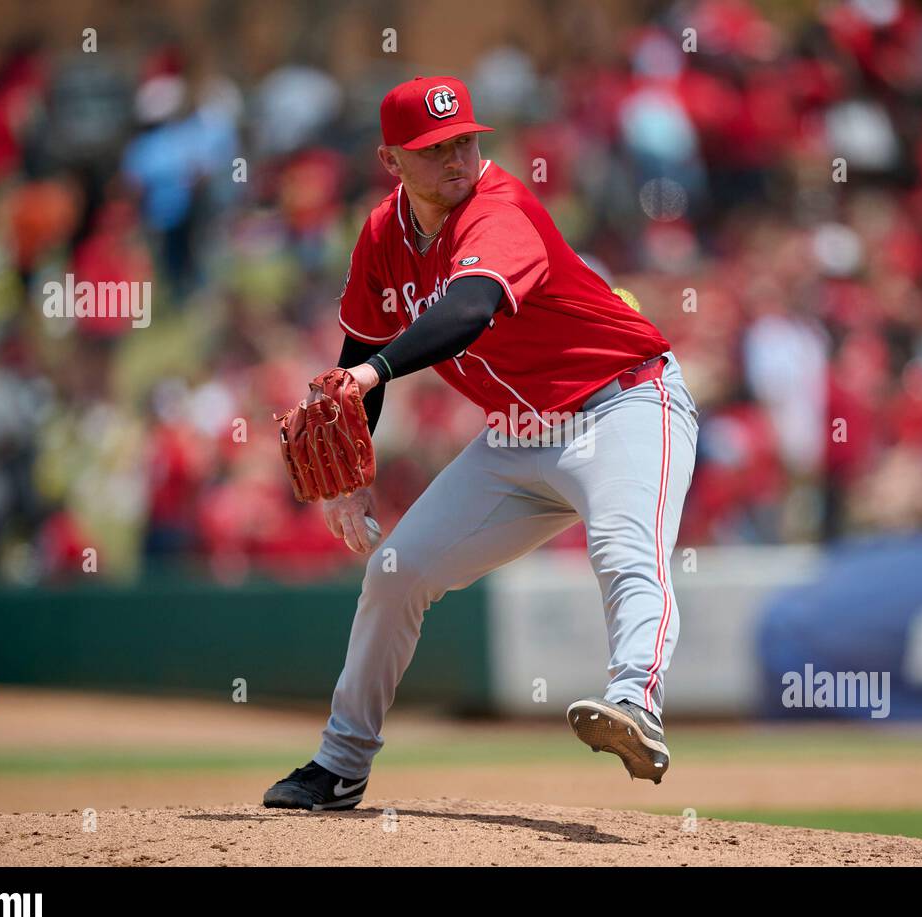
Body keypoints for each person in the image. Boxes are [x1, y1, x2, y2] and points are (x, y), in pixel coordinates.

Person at [263, 76, 698, 810]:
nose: (457, 158)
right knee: (398, 570)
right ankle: (339, 767)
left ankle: (636, 704)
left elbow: (466, 310)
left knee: (625, 553)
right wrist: (349, 477)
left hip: (623, 402)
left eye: (464, 139)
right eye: (434, 149)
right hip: (521, 435)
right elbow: (359, 345)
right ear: (391, 159)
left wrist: (369, 373)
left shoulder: (500, 209)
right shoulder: (381, 235)